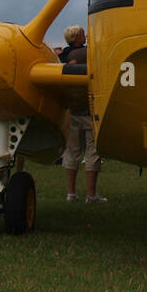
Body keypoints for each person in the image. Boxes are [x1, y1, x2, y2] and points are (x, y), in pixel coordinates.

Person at [59, 25, 104, 203]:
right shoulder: (88, 53)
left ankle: (71, 193)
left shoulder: (63, 56)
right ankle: (91, 194)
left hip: (72, 110)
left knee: (71, 152)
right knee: (92, 152)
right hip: (90, 110)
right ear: (77, 37)